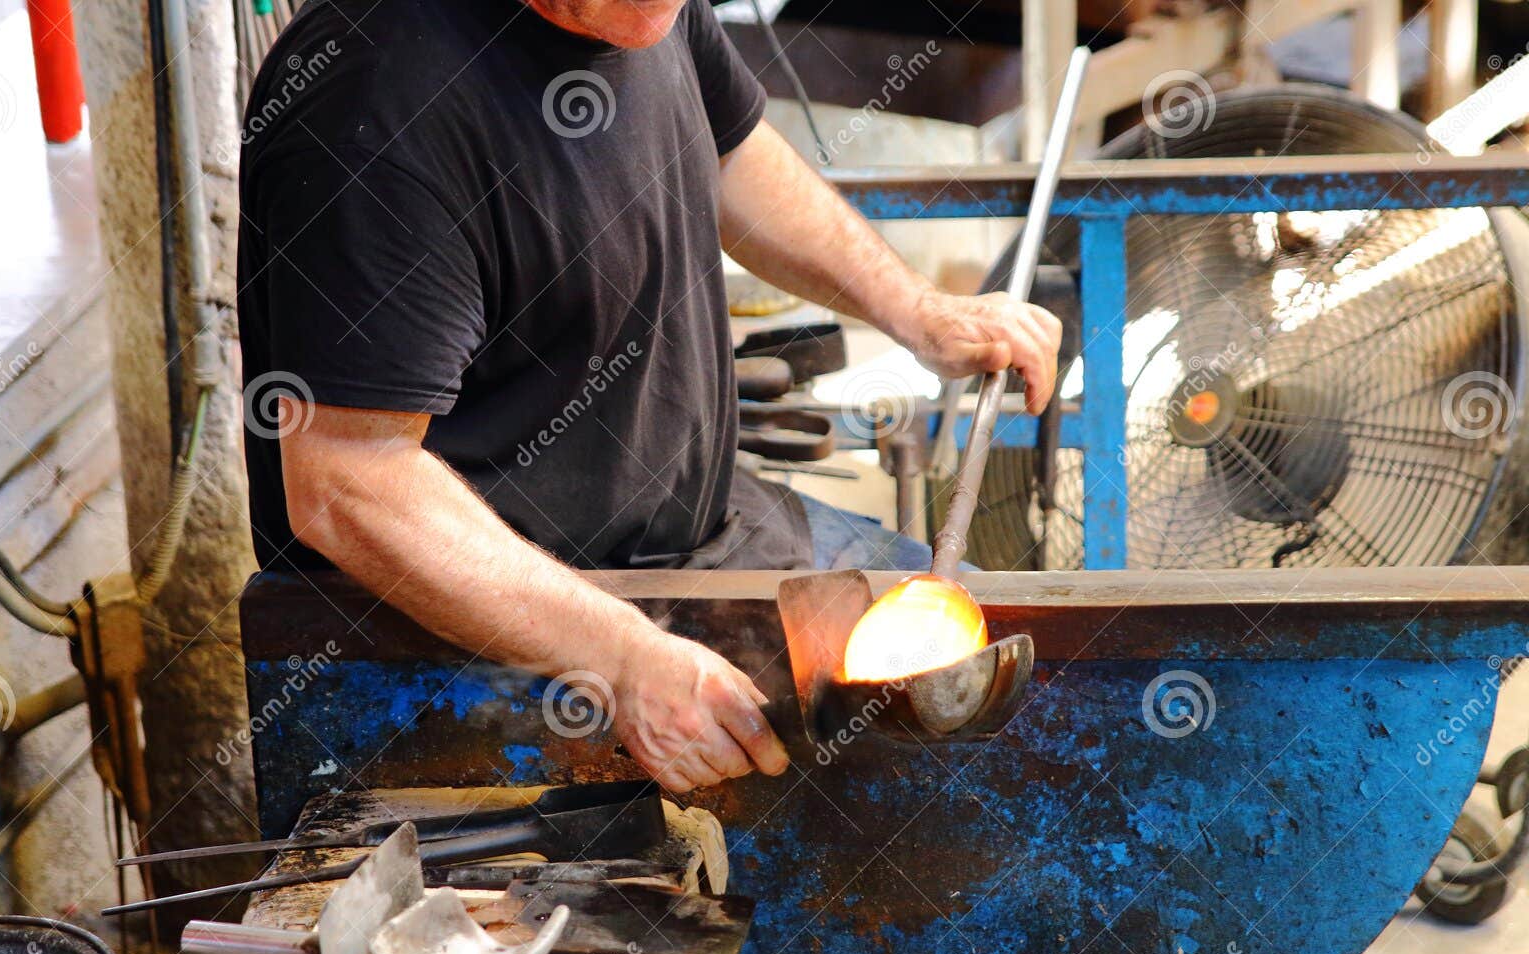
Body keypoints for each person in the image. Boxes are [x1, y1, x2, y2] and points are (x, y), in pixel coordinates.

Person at [237, 0, 1061, 795]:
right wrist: (624, 656)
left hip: (711, 541)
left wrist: (914, 306)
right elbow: (350, 484)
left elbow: (733, 150)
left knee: (1029, 699)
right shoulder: (372, 104)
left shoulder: (647, 11)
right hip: (493, 647)